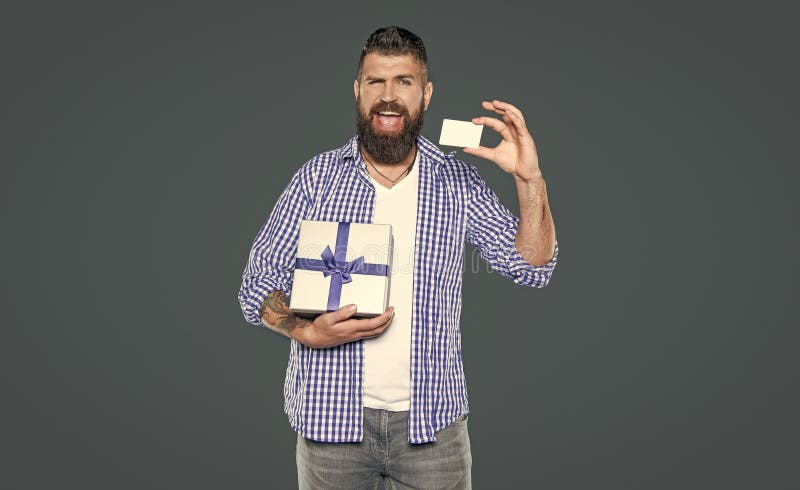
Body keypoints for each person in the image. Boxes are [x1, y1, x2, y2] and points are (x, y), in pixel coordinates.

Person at [237, 26, 558, 490]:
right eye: (376, 82)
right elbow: (256, 283)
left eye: (404, 81)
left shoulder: (456, 182)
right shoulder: (316, 179)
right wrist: (304, 330)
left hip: (434, 430)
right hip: (330, 424)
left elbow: (532, 266)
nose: (388, 97)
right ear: (357, 90)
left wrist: (530, 180)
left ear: (426, 94)